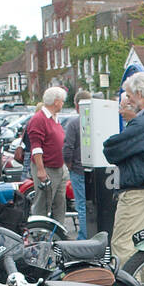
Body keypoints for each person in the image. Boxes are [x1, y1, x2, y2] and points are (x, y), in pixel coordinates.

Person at [102, 72, 144, 266]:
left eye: (129, 95)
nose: (128, 100)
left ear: (139, 93)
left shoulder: (143, 123)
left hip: (136, 194)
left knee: (123, 243)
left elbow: (111, 149)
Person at [26, 86, 68, 224]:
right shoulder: (39, 119)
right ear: (56, 102)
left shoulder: (54, 119)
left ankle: (59, 232)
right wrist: (41, 170)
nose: (63, 104)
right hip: (47, 168)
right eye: (62, 101)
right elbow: (36, 147)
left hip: (58, 168)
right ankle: (39, 233)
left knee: (59, 203)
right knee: (43, 203)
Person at [62, 89, 90, 238]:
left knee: (82, 206)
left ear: (77, 105)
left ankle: (84, 237)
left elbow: (68, 147)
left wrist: (68, 163)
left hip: (78, 169)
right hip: (95, 171)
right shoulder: (97, 120)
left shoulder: (74, 123)